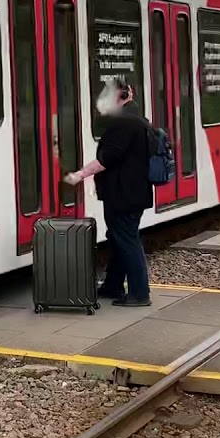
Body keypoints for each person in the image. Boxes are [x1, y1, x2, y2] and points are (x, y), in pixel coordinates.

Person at [64, 76, 154, 307]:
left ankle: (139, 293)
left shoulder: (124, 123)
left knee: (126, 240)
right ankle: (113, 286)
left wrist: (80, 175)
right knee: (118, 239)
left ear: (120, 96)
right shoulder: (137, 119)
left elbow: (108, 158)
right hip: (133, 192)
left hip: (123, 194)